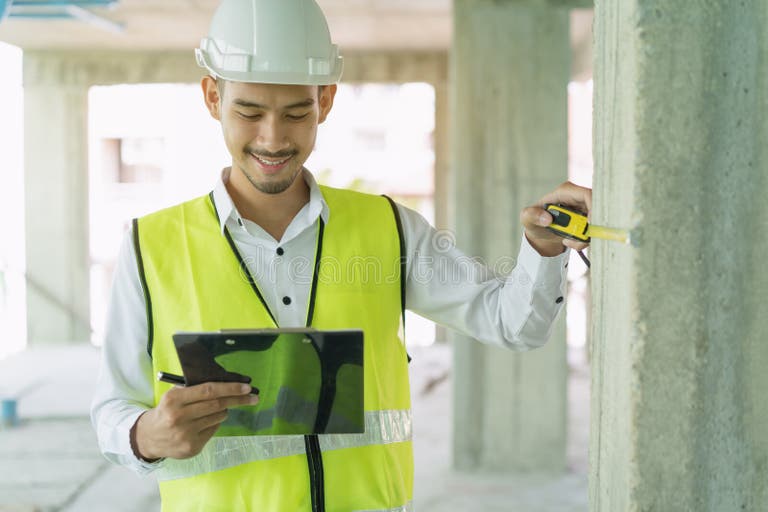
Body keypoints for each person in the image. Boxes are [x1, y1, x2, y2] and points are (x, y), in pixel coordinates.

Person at [90, 0, 591, 510]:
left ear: (325, 101)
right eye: (249, 111)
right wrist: (144, 436)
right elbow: (113, 406)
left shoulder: (388, 228)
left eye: (296, 112)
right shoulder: (150, 246)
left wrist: (543, 249)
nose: (273, 137)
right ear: (212, 97)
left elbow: (514, 324)